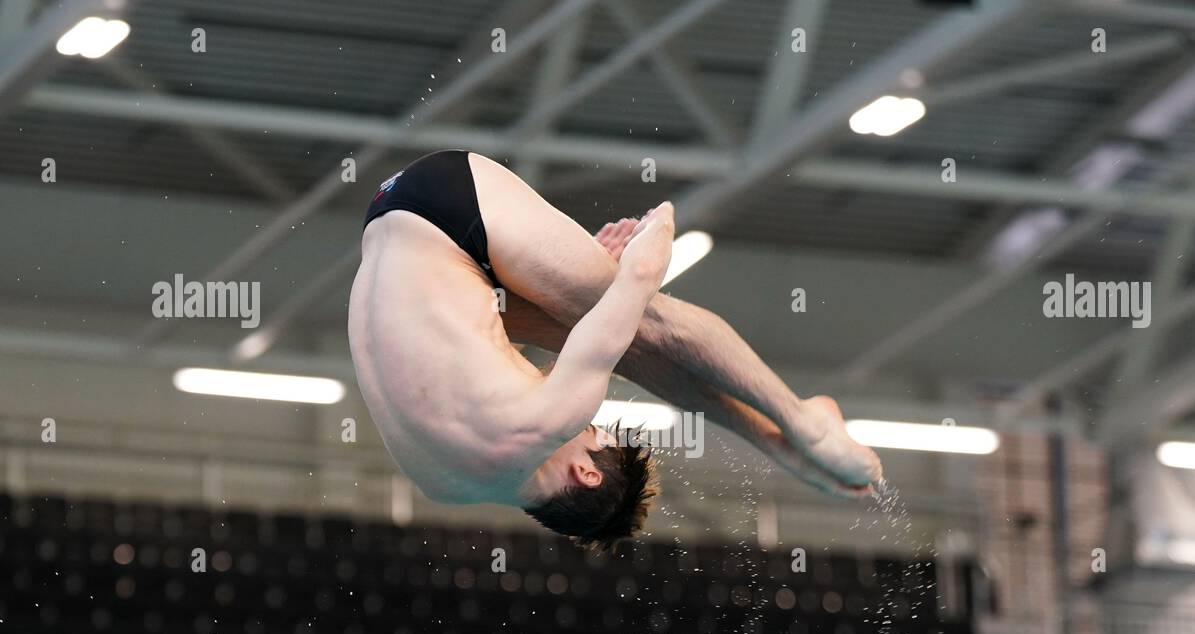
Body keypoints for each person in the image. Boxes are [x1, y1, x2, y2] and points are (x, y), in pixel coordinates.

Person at [348, 149, 882, 551]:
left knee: (648, 320)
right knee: (607, 326)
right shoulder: (443, 487)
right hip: (386, 224)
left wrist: (658, 230)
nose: (592, 421)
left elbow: (644, 271)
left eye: (596, 433)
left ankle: (802, 426)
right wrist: (580, 284)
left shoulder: (544, 420)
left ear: (587, 473)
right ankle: (780, 443)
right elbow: (475, 365)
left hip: (452, 204)